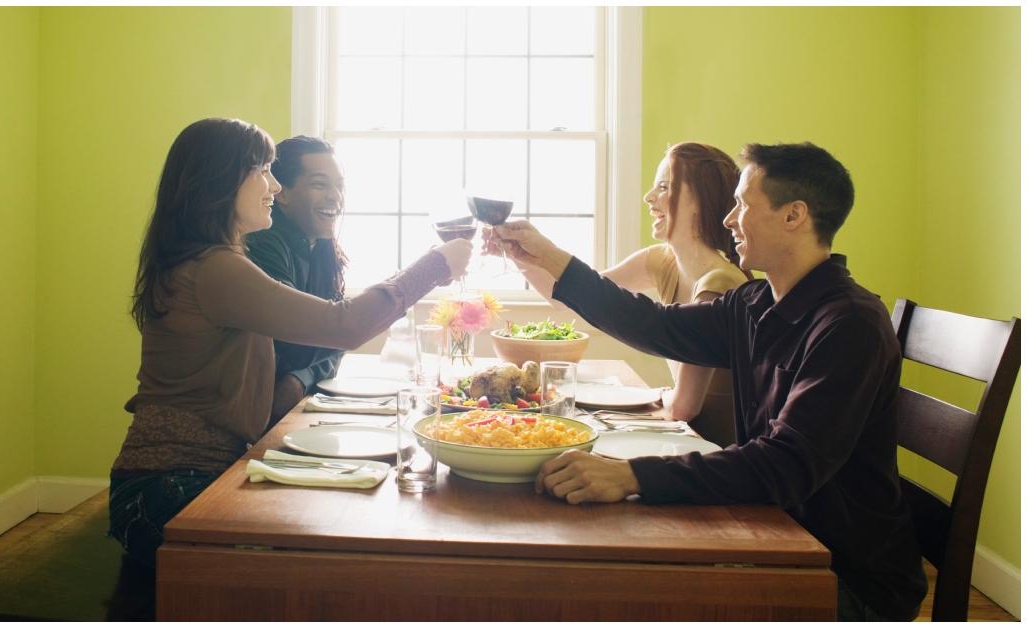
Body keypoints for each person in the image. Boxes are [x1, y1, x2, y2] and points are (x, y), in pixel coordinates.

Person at [489, 142, 926, 621]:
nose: (729, 219)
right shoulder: (757, 304)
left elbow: (786, 464)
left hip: (844, 576)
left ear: (794, 215)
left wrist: (632, 474)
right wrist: (548, 256)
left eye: (743, 204)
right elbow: (656, 326)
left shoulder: (849, 325)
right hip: (777, 534)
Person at [108, 118, 472, 568]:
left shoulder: (216, 261)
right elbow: (344, 327)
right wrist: (437, 264)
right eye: (262, 170)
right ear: (220, 183)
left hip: (176, 478)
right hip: (166, 488)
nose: (275, 186)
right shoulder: (215, 269)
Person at [519, 142, 747, 447]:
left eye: (664, 187)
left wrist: (650, 398)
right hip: (681, 435)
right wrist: (521, 255)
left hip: (712, 451)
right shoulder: (661, 260)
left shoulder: (718, 283)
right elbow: (567, 299)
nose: (649, 198)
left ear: (700, 202)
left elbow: (683, 407)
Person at [246, 136, 348, 425]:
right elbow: (298, 340)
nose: (334, 196)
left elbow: (332, 341)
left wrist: (300, 379)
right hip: (256, 418)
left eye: (338, 185)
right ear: (282, 192)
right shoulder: (264, 243)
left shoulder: (320, 244)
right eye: (319, 184)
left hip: (285, 409)